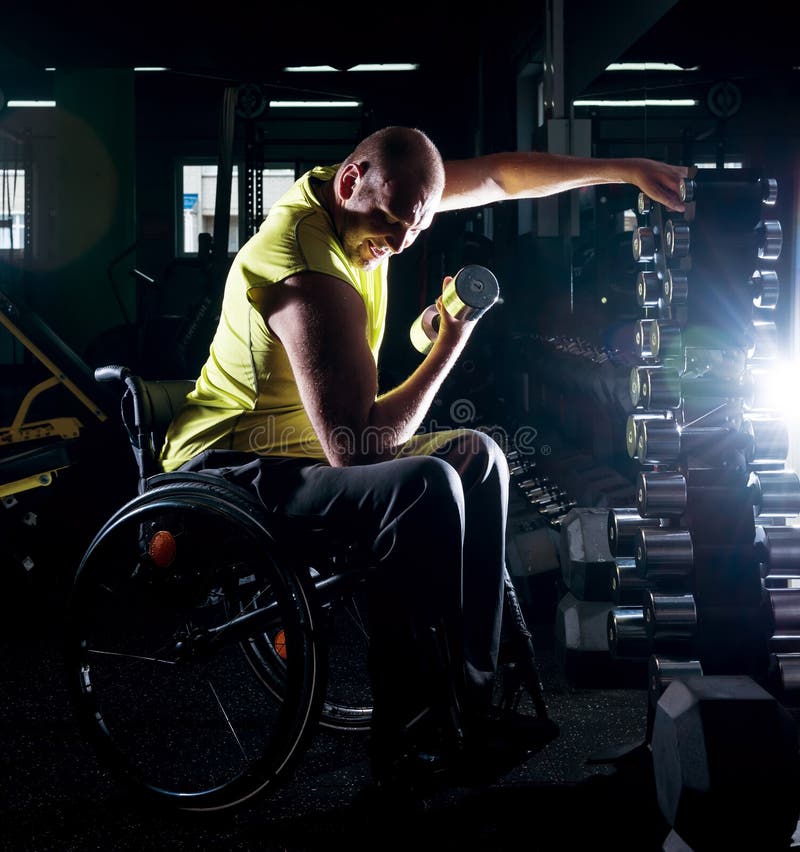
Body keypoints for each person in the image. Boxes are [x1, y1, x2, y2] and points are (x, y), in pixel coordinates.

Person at [160, 126, 687, 789]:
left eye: (413, 228)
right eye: (390, 226)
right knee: (423, 484)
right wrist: (450, 346)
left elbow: (497, 177)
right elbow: (360, 449)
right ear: (353, 184)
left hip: (302, 452)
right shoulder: (305, 266)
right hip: (233, 464)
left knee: (480, 455)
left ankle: (474, 701)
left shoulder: (361, 191)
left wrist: (623, 168)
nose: (400, 244)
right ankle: (411, 742)